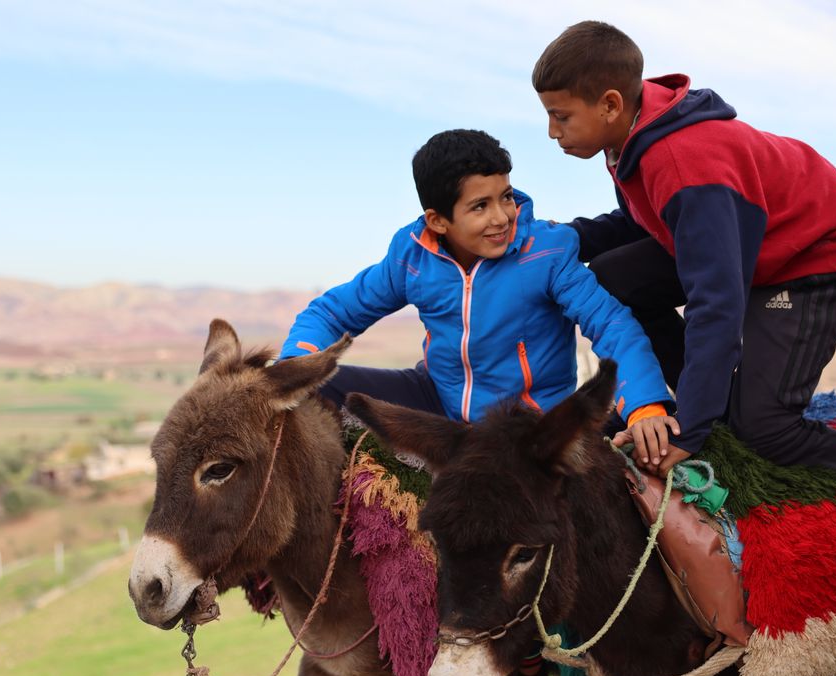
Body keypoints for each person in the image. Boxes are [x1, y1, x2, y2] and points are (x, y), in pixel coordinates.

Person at [532, 21, 836, 500]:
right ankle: (707, 403)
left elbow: (716, 303)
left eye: (561, 116)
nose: (552, 132)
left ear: (610, 104)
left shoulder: (682, 162)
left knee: (764, 428)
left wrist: (688, 431)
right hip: (746, 242)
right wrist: (564, 238)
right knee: (613, 278)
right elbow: (644, 217)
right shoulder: (630, 137)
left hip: (815, 254)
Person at [280, 128, 677, 465]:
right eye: (480, 206)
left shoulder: (546, 253)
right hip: (435, 396)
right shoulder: (414, 255)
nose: (502, 217)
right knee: (312, 390)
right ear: (438, 220)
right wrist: (294, 366)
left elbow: (611, 325)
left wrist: (644, 406)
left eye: (505, 196)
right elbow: (333, 312)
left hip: (525, 420)